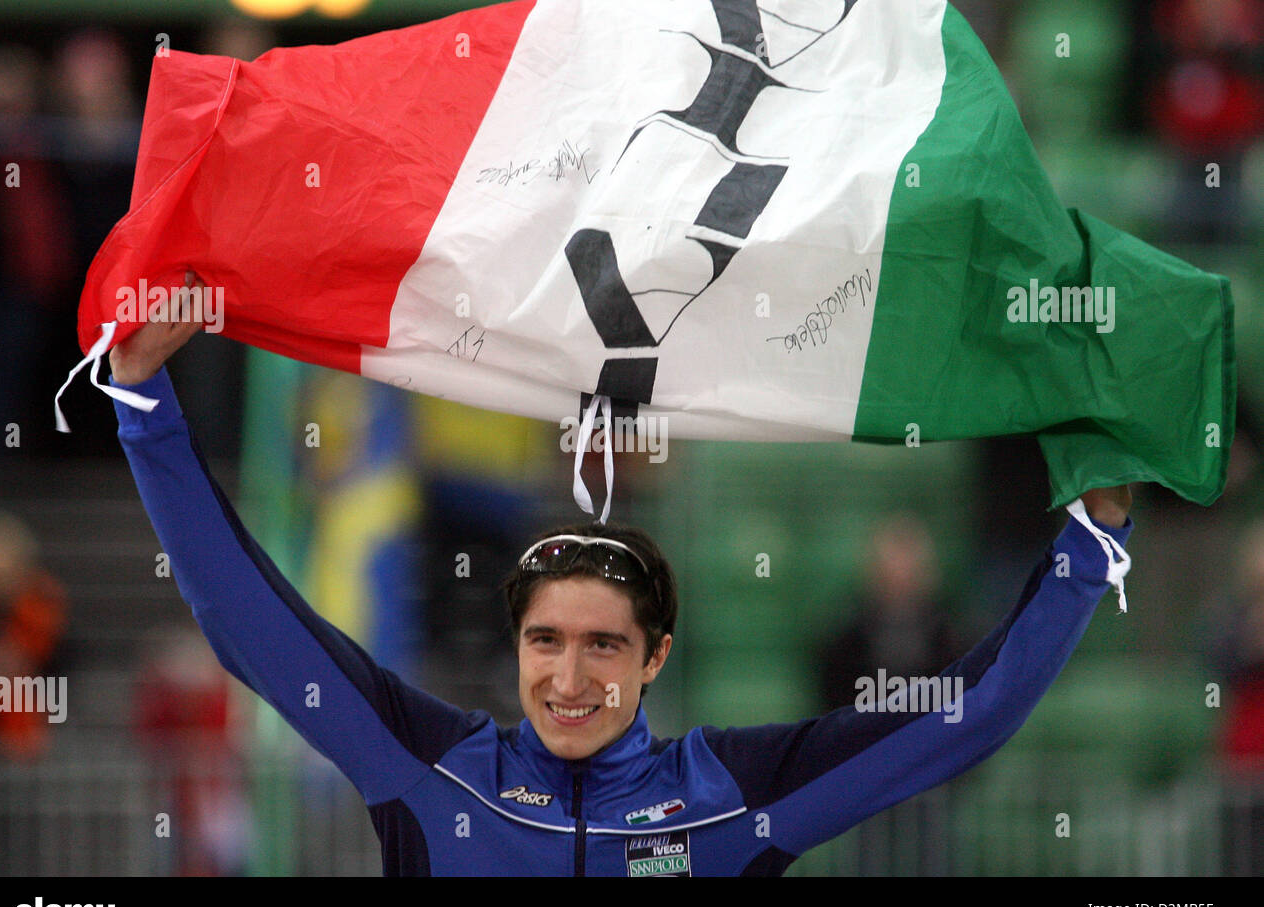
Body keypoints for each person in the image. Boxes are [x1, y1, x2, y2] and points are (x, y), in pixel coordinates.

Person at [106, 276, 1134, 876]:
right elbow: (245, 621)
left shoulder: (732, 795)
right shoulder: (435, 770)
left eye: (603, 644)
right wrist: (143, 403)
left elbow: (969, 718)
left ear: (656, 659)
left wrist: (1089, 545)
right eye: (545, 640)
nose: (568, 676)